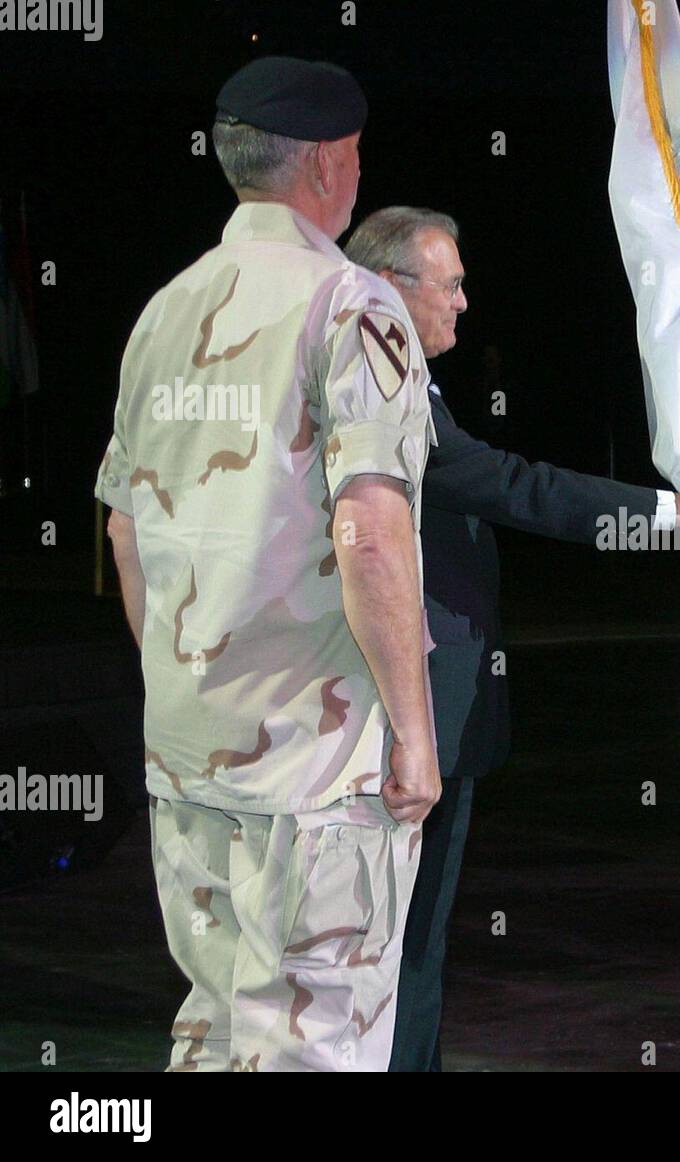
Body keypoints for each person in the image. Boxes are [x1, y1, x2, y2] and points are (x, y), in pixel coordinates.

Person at [95, 58, 439, 1072]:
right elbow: (371, 531)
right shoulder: (351, 304)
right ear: (331, 163)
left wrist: (190, 680)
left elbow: (123, 530)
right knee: (319, 1038)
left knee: (218, 1023)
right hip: (315, 764)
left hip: (193, 749)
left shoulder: (163, 312)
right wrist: (413, 736)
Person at [343, 205, 680, 1072]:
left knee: (414, 938)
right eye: (449, 284)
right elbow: (513, 488)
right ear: (391, 287)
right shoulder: (381, 384)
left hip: (435, 707)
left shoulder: (408, 379)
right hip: (400, 718)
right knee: (391, 942)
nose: (463, 302)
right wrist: (671, 518)